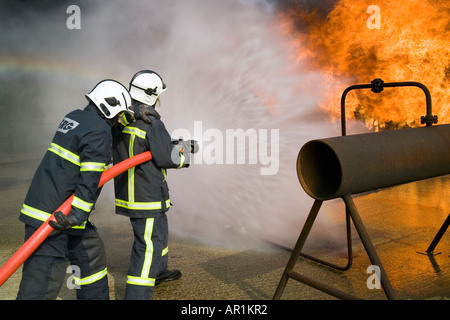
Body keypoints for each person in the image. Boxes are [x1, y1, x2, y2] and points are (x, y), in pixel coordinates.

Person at [17, 80, 133, 300]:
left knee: (91, 252)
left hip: (55, 209)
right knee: (43, 281)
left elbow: (90, 141)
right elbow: (90, 178)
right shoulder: (100, 131)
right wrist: (78, 214)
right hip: (54, 218)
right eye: (120, 115)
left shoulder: (76, 117)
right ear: (109, 105)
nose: (120, 120)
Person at [113, 70, 197, 300]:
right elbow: (165, 158)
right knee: (147, 246)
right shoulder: (153, 122)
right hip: (147, 194)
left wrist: (177, 144)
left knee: (158, 233)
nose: (160, 99)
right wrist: (184, 155)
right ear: (151, 95)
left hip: (131, 193)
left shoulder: (122, 118)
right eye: (158, 94)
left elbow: (147, 147)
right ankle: (137, 295)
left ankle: (158, 271)